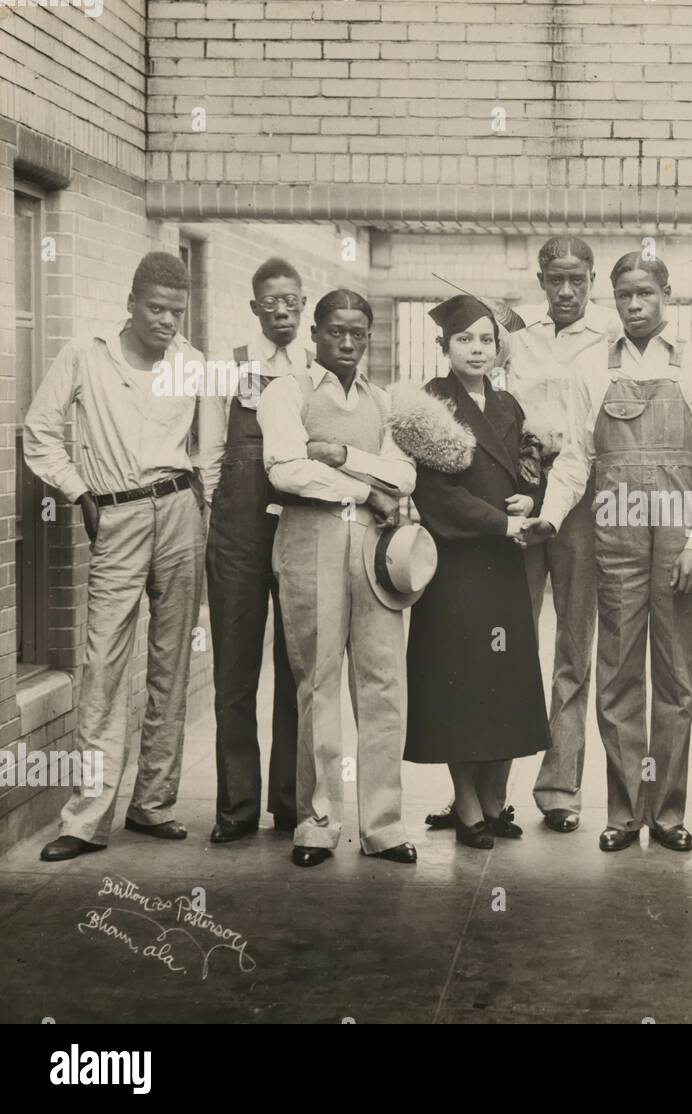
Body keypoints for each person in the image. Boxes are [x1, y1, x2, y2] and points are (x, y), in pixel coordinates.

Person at [523, 251, 692, 854]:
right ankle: (622, 812)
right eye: (624, 297)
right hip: (614, 532)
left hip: (674, 536)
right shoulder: (593, 366)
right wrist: (551, 517)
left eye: (646, 294)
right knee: (615, 676)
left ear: (668, 292)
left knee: (674, 677)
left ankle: (666, 812)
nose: (635, 306)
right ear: (612, 300)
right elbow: (575, 460)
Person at [24, 252, 221, 861]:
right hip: (116, 513)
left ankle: (154, 804)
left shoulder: (193, 364)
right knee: (104, 664)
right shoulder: (87, 354)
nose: (166, 322)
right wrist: (80, 492)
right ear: (131, 304)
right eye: (156, 309)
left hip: (179, 510)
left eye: (176, 312)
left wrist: (200, 505)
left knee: (172, 663)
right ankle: (84, 819)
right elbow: (39, 430)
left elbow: (210, 447)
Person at [423, 239, 618, 836]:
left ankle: (559, 790)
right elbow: (498, 430)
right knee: (502, 644)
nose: (566, 291)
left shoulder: (610, 342)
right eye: (555, 279)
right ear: (541, 279)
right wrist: (524, 499)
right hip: (522, 504)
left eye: (577, 280)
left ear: (591, 281)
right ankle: (487, 796)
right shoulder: (519, 341)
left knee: (574, 650)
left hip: (582, 499)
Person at [257, 289, 418, 868]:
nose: (347, 342)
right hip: (311, 542)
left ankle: (383, 825)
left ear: (369, 337)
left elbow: (405, 474)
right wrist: (364, 489)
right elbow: (285, 468)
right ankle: (318, 823)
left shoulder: (385, 401)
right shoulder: (286, 392)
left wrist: (339, 455)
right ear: (315, 334)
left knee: (383, 687)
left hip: (377, 551)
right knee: (318, 683)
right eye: (335, 332)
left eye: (358, 333)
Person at [400, 295, 551, 850]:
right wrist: (498, 522)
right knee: (458, 684)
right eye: (465, 340)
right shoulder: (429, 404)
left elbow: (533, 466)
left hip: (505, 563)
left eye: (486, 339)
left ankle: (493, 798)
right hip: (456, 564)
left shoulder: (509, 404)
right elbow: (435, 493)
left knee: (504, 682)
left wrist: (527, 499)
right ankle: (465, 804)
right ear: (444, 347)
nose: (477, 349)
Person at [207, 257, 313, 843]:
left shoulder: (315, 368)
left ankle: (292, 803)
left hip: (298, 523)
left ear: (302, 305)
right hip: (238, 532)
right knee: (235, 670)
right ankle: (237, 809)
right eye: (271, 300)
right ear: (255, 307)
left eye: (292, 301)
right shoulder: (233, 366)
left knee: (298, 666)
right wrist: (216, 517)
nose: (283, 309)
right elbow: (205, 448)